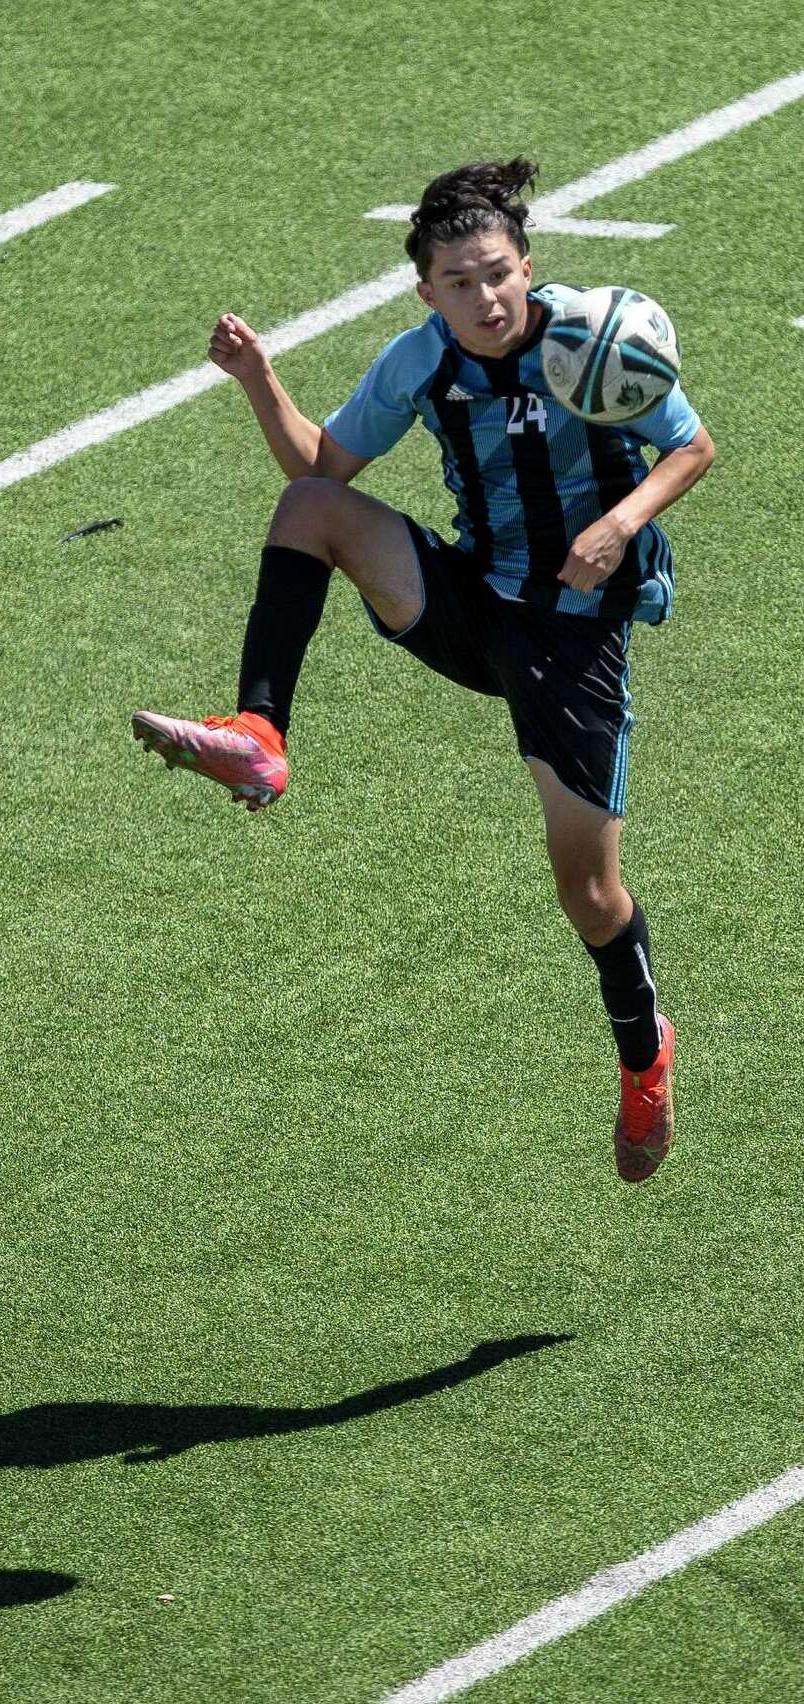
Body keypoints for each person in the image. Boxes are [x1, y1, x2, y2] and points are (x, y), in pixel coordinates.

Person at [131, 159, 714, 1182]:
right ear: (425, 294)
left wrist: (621, 524)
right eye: (458, 282)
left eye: (497, 274)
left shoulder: (591, 332)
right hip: (471, 599)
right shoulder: (418, 364)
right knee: (309, 513)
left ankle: (643, 1054)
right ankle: (260, 737)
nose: (485, 298)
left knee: (586, 890)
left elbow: (692, 446)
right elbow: (325, 469)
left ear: (527, 266)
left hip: (574, 635)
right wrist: (258, 378)